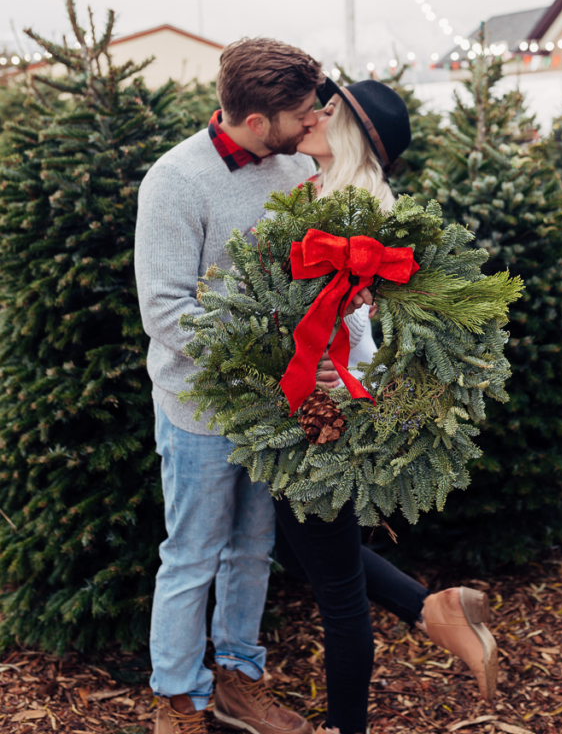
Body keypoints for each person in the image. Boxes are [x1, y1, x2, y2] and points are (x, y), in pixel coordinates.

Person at [135, 38, 368, 734]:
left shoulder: (295, 167)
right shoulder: (176, 181)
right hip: (199, 410)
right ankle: (178, 700)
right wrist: (268, 351)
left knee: (251, 550)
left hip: (274, 409)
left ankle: (238, 680)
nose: (315, 122)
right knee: (192, 556)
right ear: (259, 121)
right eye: (303, 114)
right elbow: (165, 311)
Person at [273, 77, 498, 734]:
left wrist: (342, 380)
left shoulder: (356, 213)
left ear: (351, 132)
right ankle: (434, 609)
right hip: (300, 407)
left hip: (322, 412)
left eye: (328, 110)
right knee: (304, 551)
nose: (312, 116)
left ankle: (351, 725)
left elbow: (373, 331)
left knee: (338, 593)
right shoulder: (314, 193)